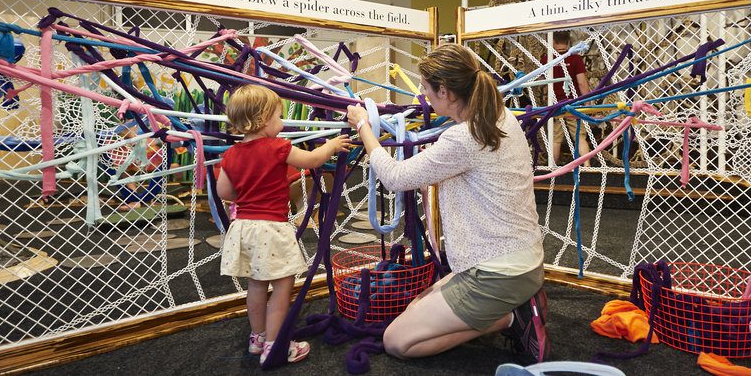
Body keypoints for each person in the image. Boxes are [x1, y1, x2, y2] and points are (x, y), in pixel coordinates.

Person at [345, 44, 549, 363]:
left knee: (396, 341)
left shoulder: (463, 138)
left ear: (446, 92)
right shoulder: (500, 117)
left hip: (498, 273)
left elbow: (395, 177)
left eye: (425, 89)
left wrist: (363, 127)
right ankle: (516, 304)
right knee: (414, 309)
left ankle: (514, 318)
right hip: (521, 263)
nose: (423, 96)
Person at [215, 84, 351, 365]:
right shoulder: (278, 147)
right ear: (264, 120)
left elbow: (224, 193)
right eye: (279, 117)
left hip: (243, 227)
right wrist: (333, 145)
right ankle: (276, 346)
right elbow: (312, 160)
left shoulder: (231, 154)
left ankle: (258, 338)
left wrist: (248, 190)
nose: (282, 122)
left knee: (256, 284)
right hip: (271, 228)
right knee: (281, 286)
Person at [541, 30, 592, 166]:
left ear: (553, 42)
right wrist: (588, 101)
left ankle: (552, 167)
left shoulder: (547, 59)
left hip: (555, 104)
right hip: (573, 103)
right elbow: (581, 82)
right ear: (569, 41)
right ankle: (587, 166)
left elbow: (544, 82)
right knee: (579, 136)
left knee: (555, 139)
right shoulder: (575, 59)